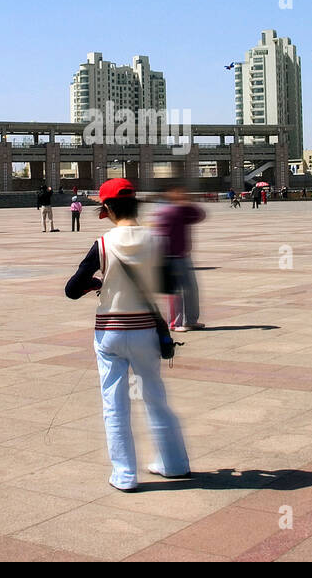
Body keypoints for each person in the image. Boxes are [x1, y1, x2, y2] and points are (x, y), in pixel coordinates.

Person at [64, 178, 190, 491]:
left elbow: (71, 289)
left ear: (106, 209)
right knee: (155, 397)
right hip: (146, 331)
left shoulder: (103, 244)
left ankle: (124, 475)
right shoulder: (155, 240)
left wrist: (99, 284)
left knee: (114, 402)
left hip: (110, 333)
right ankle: (173, 464)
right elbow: (169, 286)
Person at [154, 185, 207, 334]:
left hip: (183, 256)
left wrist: (186, 203)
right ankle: (174, 322)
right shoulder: (166, 210)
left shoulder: (180, 209)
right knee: (175, 292)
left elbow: (199, 215)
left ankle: (191, 321)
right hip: (169, 257)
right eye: (179, 192)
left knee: (191, 289)